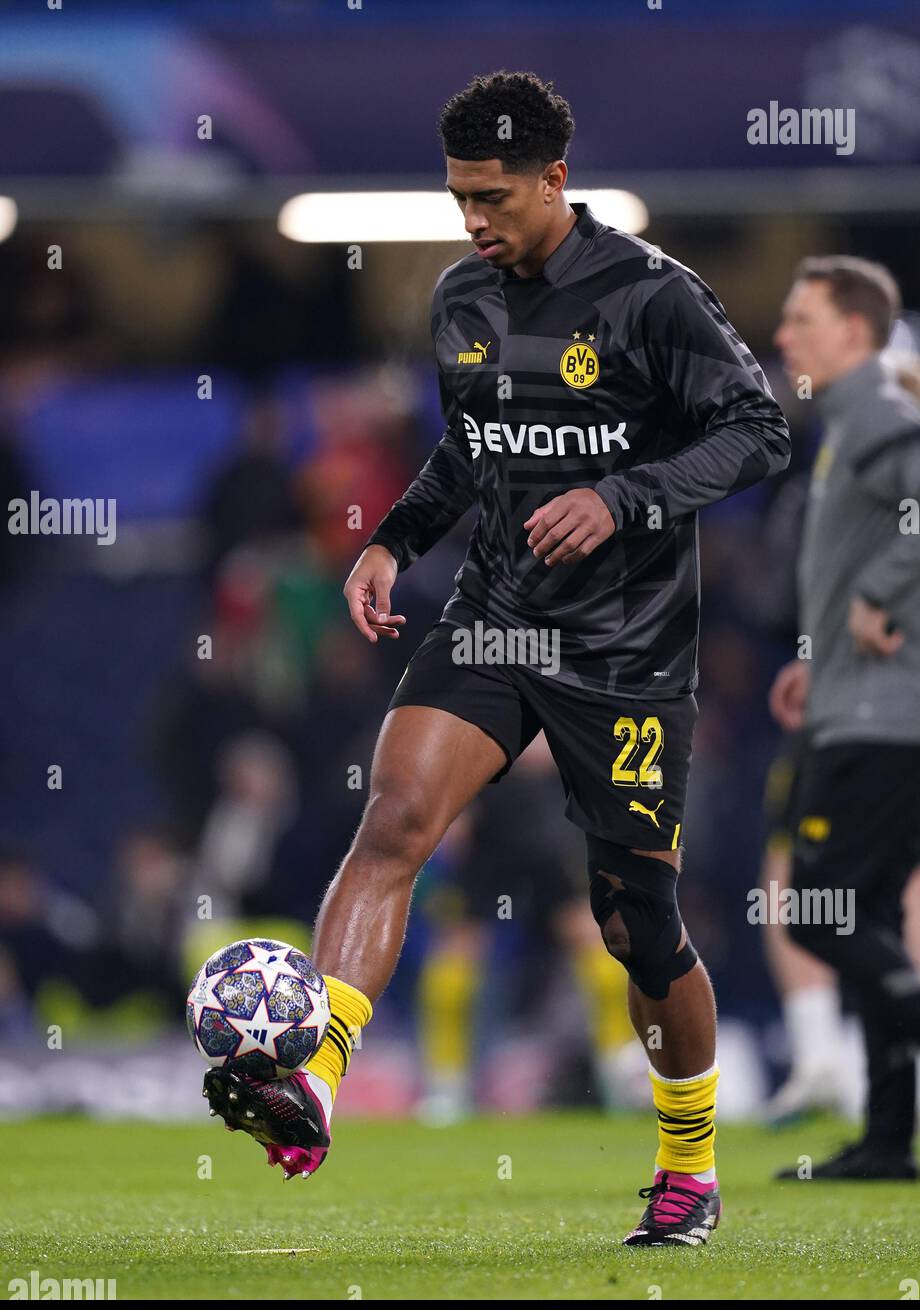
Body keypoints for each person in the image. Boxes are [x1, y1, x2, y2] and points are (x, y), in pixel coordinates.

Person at [203, 70, 790, 1246]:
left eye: (493, 196)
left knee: (637, 921)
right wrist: (392, 542)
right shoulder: (462, 295)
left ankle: (688, 1164)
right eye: (458, 195)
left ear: (554, 180)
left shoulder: (651, 297)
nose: (473, 219)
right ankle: (313, 1078)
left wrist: (624, 496)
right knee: (395, 820)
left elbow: (759, 428)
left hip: (623, 651)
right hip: (492, 617)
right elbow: (466, 456)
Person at [769, 255, 920, 1180]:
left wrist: (878, 590)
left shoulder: (873, 405)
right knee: (863, 909)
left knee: (819, 915)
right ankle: (884, 1135)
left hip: (886, 718)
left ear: (853, 333)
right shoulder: (845, 421)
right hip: (867, 703)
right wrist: (817, 661)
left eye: (801, 319)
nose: (783, 335)